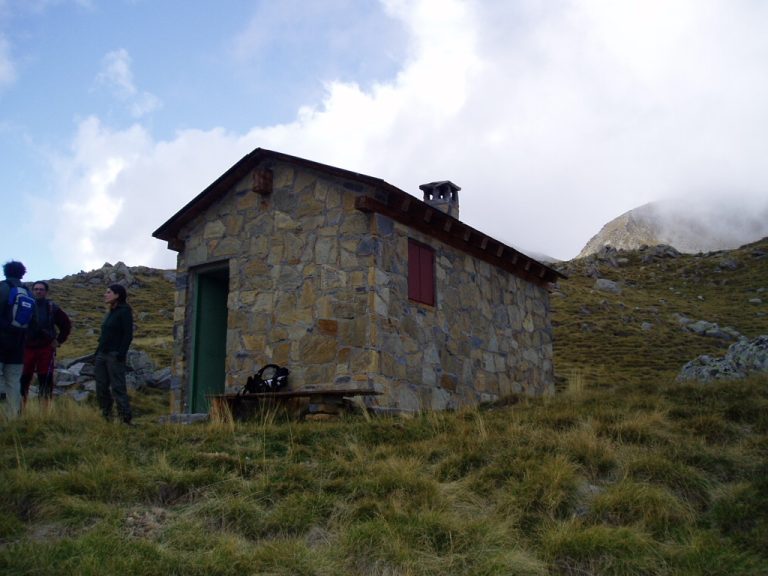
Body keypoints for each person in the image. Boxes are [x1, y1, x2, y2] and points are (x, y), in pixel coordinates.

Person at [21, 281, 72, 408]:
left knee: (46, 379)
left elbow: (66, 325)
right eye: (36, 289)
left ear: (46, 292)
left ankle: (44, 410)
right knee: (24, 378)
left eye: (41, 289)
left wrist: (59, 341)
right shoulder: (25, 306)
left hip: (46, 349)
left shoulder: (52, 307)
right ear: (32, 291)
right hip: (27, 348)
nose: (38, 291)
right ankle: (20, 407)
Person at [94, 284, 134, 425]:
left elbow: (128, 334)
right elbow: (105, 335)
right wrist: (97, 353)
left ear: (117, 295)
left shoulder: (124, 311)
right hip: (102, 354)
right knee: (101, 387)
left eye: (108, 292)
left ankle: (125, 419)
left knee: (118, 387)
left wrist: (121, 353)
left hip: (114, 355)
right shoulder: (111, 312)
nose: (105, 294)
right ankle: (107, 417)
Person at [0, 260, 35, 419]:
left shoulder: (3, 287)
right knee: (13, 382)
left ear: (5, 272)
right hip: (19, 344)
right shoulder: (29, 293)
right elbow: (36, 322)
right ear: (22, 273)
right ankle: (13, 419)